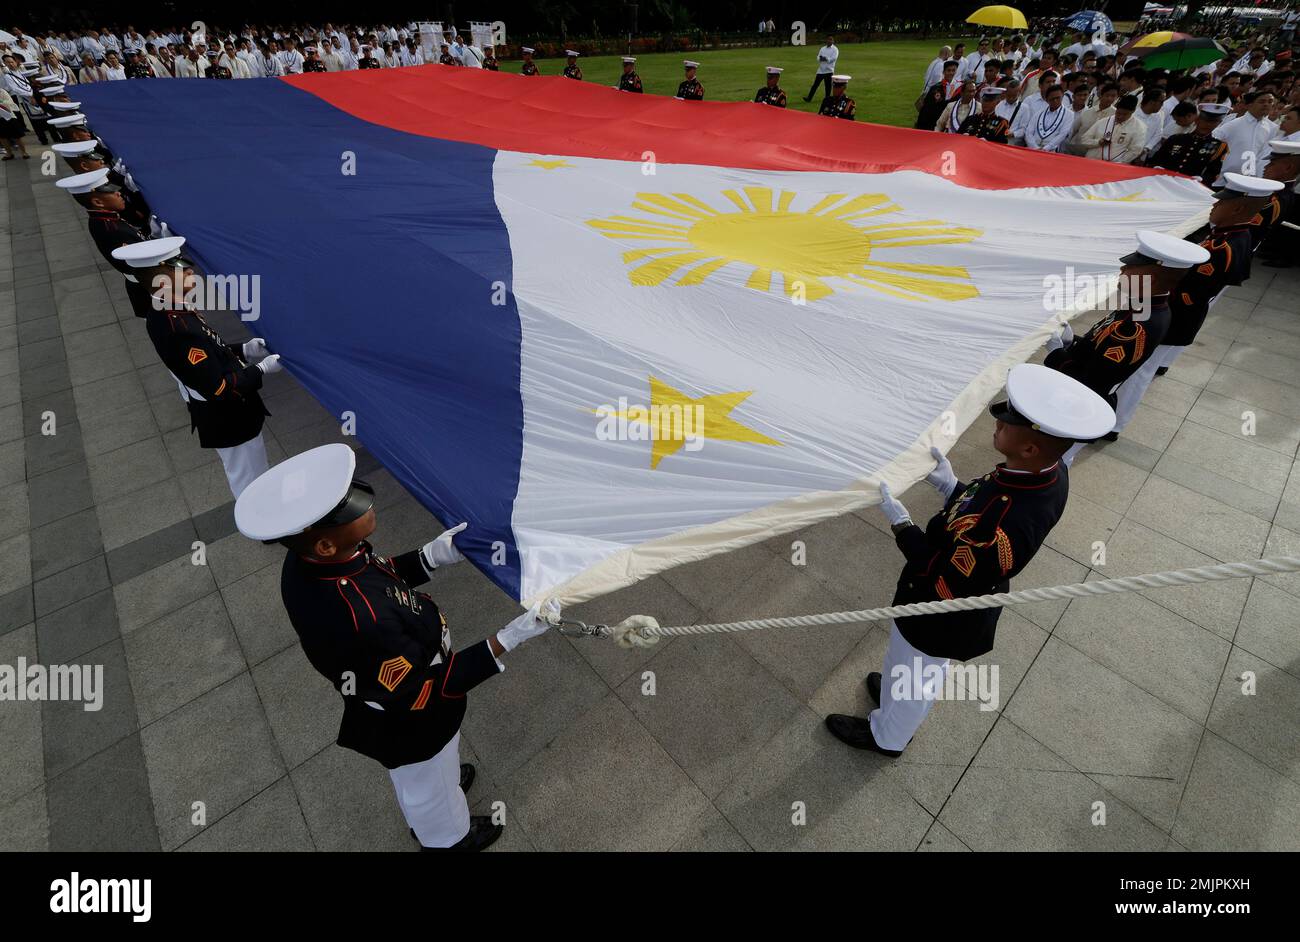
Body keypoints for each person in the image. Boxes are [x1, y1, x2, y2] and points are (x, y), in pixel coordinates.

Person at [234, 443, 556, 850]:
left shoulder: (315, 562)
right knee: (427, 784)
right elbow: (430, 687)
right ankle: (447, 838)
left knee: (425, 776)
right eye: (351, 511)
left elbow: (378, 576)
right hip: (411, 716)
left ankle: (442, 796)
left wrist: (435, 555)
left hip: (392, 693)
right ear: (325, 545)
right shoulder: (360, 622)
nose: (366, 509)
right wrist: (508, 638)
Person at [825, 365, 1114, 756]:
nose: (997, 422)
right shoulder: (1042, 470)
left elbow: (947, 578)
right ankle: (896, 695)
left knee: (917, 669)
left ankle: (888, 736)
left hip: (941, 610)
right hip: (957, 594)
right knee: (909, 666)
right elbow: (978, 511)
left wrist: (902, 526)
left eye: (1008, 423)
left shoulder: (1007, 524)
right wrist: (952, 488)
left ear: (1029, 448)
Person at [1111, 174, 1283, 435]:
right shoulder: (1230, 235)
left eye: (1221, 203)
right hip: (1179, 313)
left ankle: (1115, 423)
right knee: (1142, 368)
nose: (1214, 206)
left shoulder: (1222, 246)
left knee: (1139, 372)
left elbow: (1185, 290)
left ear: (1237, 208)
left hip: (1176, 316)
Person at [111, 237, 279, 498]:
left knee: (254, 466)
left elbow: (211, 353)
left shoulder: (171, 312)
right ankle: (263, 522)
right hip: (227, 416)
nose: (190, 270)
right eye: (180, 267)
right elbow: (218, 387)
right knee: (249, 475)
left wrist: (245, 349)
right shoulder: (178, 327)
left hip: (227, 413)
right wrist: (261, 369)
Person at [1043, 230, 1210, 464]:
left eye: (1131, 268)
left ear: (1150, 278)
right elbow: (1099, 350)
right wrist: (1073, 342)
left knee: (1053, 459)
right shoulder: (1144, 306)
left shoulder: (1138, 326)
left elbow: (1092, 380)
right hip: (1084, 396)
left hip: (1084, 404)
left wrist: (1056, 353)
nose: (1123, 271)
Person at [1145, 102, 1231, 187]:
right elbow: (1156, 160)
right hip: (1163, 183)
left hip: (1189, 188)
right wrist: (1158, 168)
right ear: (1197, 120)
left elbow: (1213, 173)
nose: (1207, 124)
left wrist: (1202, 179)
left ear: (1218, 123)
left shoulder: (1219, 147)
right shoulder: (1176, 139)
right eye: (1204, 120)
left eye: (1213, 122)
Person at [1214, 90, 1276, 182]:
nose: (1266, 104)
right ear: (1250, 105)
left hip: (1248, 181)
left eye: (1270, 102)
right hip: (1224, 179)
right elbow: (1213, 141)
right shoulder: (1235, 124)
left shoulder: (1272, 128)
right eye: (1262, 101)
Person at [1079, 94, 1146, 163]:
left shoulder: (1139, 127)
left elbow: (1135, 150)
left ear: (1133, 111)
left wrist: (1118, 163)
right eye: (1118, 113)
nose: (1120, 116)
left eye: (1125, 114)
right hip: (1091, 161)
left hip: (1114, 166)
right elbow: (1084, 140)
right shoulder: (1103, 121)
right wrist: (1098, 142)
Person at [1024, 81, 1074, 152]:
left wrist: (1046, 148)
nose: (1055, 101)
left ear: (1062, 96)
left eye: (1058, 98)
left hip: (1052, 151)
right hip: (1033, 149)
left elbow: (1062, 134)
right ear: (1046, 99)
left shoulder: (1069, 114)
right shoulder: (1039, 113)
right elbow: (1029, 132)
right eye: (1052, 99)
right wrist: (1034, 147)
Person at [916, 59, 959, 131]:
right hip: (935, 122)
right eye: (948, 70)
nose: (951, 73)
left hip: (951, 123)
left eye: (953, 70)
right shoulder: (936, 88)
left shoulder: (959, 87)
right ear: (944, 72)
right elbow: (927, 108)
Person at [805, 35, 838, 102]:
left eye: (830, 40)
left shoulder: (835, 49)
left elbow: (834, 58)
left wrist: (826, 59)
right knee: (815, 85)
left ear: (833, 41)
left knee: (828, 87)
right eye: (828, 40)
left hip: (829, 70)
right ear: (826, 40)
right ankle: (809, 98)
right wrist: (820, 58)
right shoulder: (822, 48)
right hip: (821, 70)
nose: (829, 41)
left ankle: (827, 100)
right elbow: (818, 57)